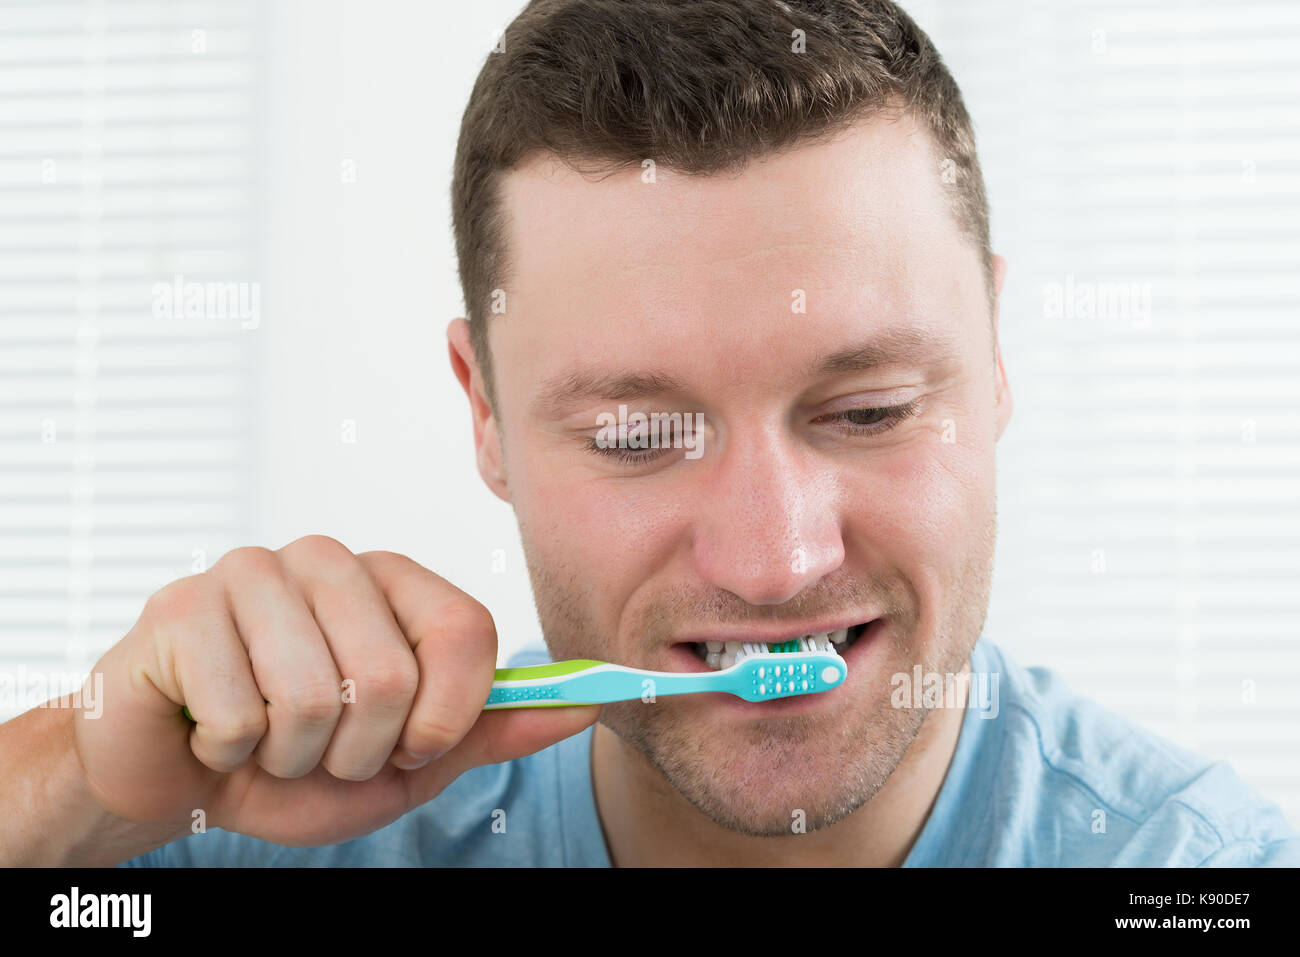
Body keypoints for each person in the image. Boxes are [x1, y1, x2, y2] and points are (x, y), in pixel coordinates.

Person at [2, 0, 1296, 868]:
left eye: (869, 411)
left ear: (998, 356)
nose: (776, 557)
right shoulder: (260, 818)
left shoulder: (1198, 873)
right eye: (636, 431)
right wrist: (87, 769)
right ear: (485, 413)